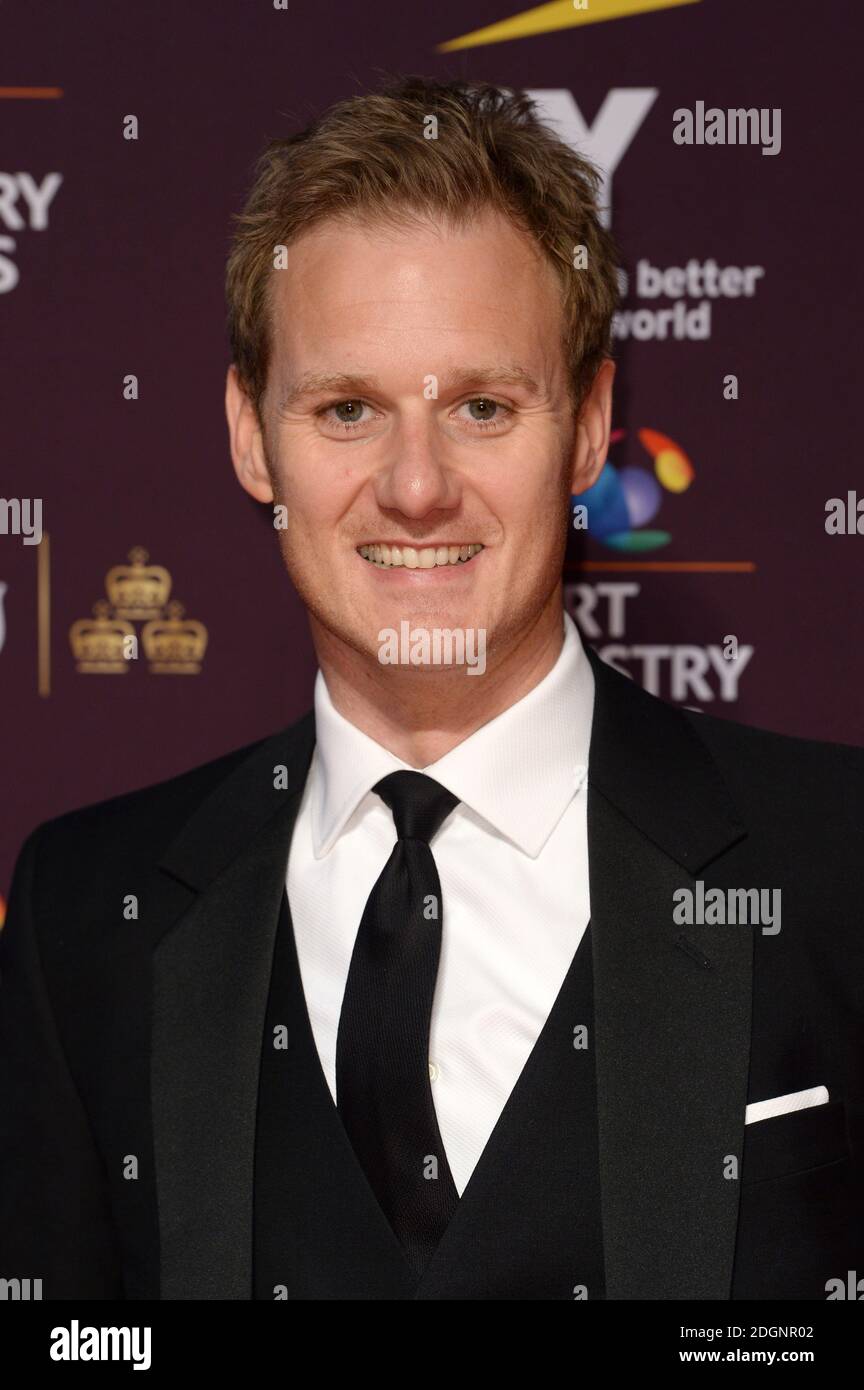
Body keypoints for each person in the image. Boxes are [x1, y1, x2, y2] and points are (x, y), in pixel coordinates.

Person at [1, 77, 861, 1301]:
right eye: (348, 407)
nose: (417, 486)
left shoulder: (837, 863)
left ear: (587, 428)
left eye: (482, 406)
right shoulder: (86, 916)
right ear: (252, 436)